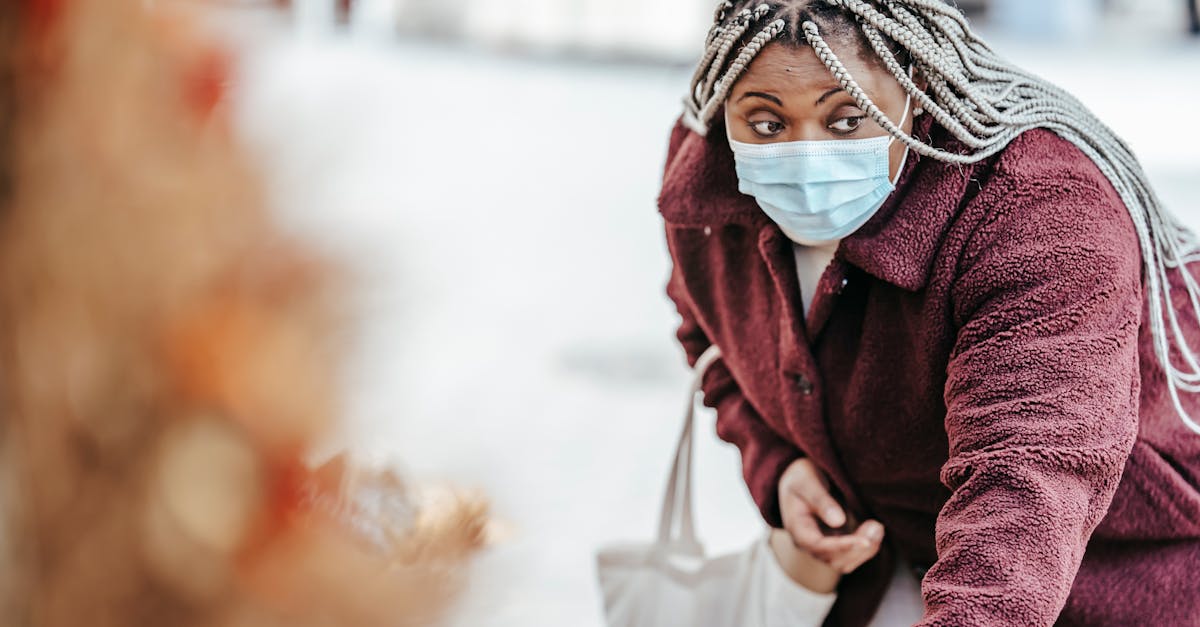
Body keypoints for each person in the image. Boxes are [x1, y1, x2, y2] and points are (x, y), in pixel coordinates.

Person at [658, 0, 1200, 624]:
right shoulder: (710, 179)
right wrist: (776, 466)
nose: (803, 157)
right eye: (766, 123)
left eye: (845, 120)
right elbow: (709, 334)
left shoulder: (1041, 211)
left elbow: (1027, 472)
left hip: (1110, 586)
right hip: (889, 567)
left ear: (914, 90)